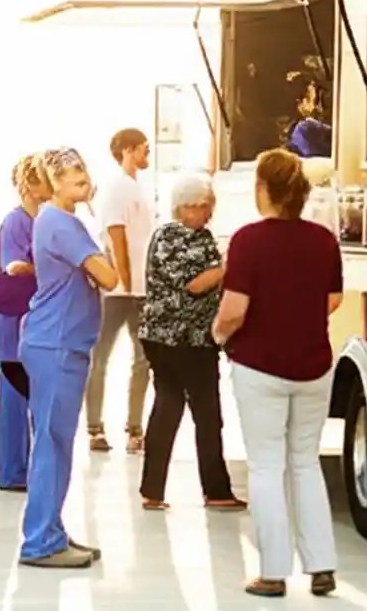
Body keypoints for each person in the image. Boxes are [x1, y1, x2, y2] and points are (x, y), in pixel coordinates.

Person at [212, 148, 342, 598]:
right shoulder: (324, 240)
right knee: (304, 463)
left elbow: (234, 310)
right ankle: (322, 566)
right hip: (313, 365)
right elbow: (333, 301)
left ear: (263, 189)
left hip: (260, 366)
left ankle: (272, 572)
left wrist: (217, 335)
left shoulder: (248, 240)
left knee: (266, 467)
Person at [19, 147, 117, 569]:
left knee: (55, 441)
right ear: (54, 182)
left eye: (84, 174)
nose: (83, 182)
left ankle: (52, 531)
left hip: (60, 341)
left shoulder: (58, 220)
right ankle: (40, 540)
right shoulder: (62, 223)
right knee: (52, 444)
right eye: (74, 177)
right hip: (57, 344)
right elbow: (111, 277)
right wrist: (108, 236)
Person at [137, 175, 245, 512]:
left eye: (205, 205)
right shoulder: (173, 236)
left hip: (178, 338)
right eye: (193, 206)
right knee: (206, 413)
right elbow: (195, 285)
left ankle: (153, 490)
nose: (201, 213)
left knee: (168, 408)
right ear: (179, 208)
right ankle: (216, 490)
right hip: (181, 339)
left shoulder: (199, 237)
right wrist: (230, 266)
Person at [85, 128, 154, 453]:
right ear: (128, 150)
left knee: (143, 360)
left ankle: (134, 428)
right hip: (118, 290)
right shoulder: (116, 188)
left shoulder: (136, 187)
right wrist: (124, 282)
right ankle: (95, 428)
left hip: (139, 288)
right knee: (101, 357)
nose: (146, 156)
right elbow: (116, 235)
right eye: (143, 149)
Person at [0, 154, 50, 491]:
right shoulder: (15, 222)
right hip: (11, 326)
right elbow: (12, 266)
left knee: (29, 402)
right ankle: (12, 472)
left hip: (33, 325)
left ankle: (23, 468)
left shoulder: (43, 220)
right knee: (13, 404)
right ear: (29, 185)